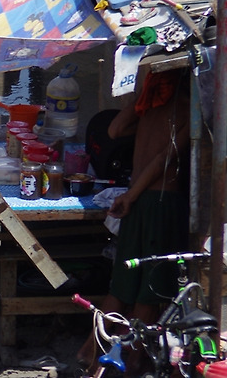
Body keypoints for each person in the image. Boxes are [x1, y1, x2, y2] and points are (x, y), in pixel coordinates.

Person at [76, 68, 190, 369]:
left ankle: (92, 349)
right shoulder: (188, 108)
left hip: (138, 201)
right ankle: (133, 358)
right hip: (159, 201)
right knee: (150, 287)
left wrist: (139, 100)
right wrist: (132, 195)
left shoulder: (148, 108)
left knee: (125, 284)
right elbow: (164, 160)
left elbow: (114, 131)